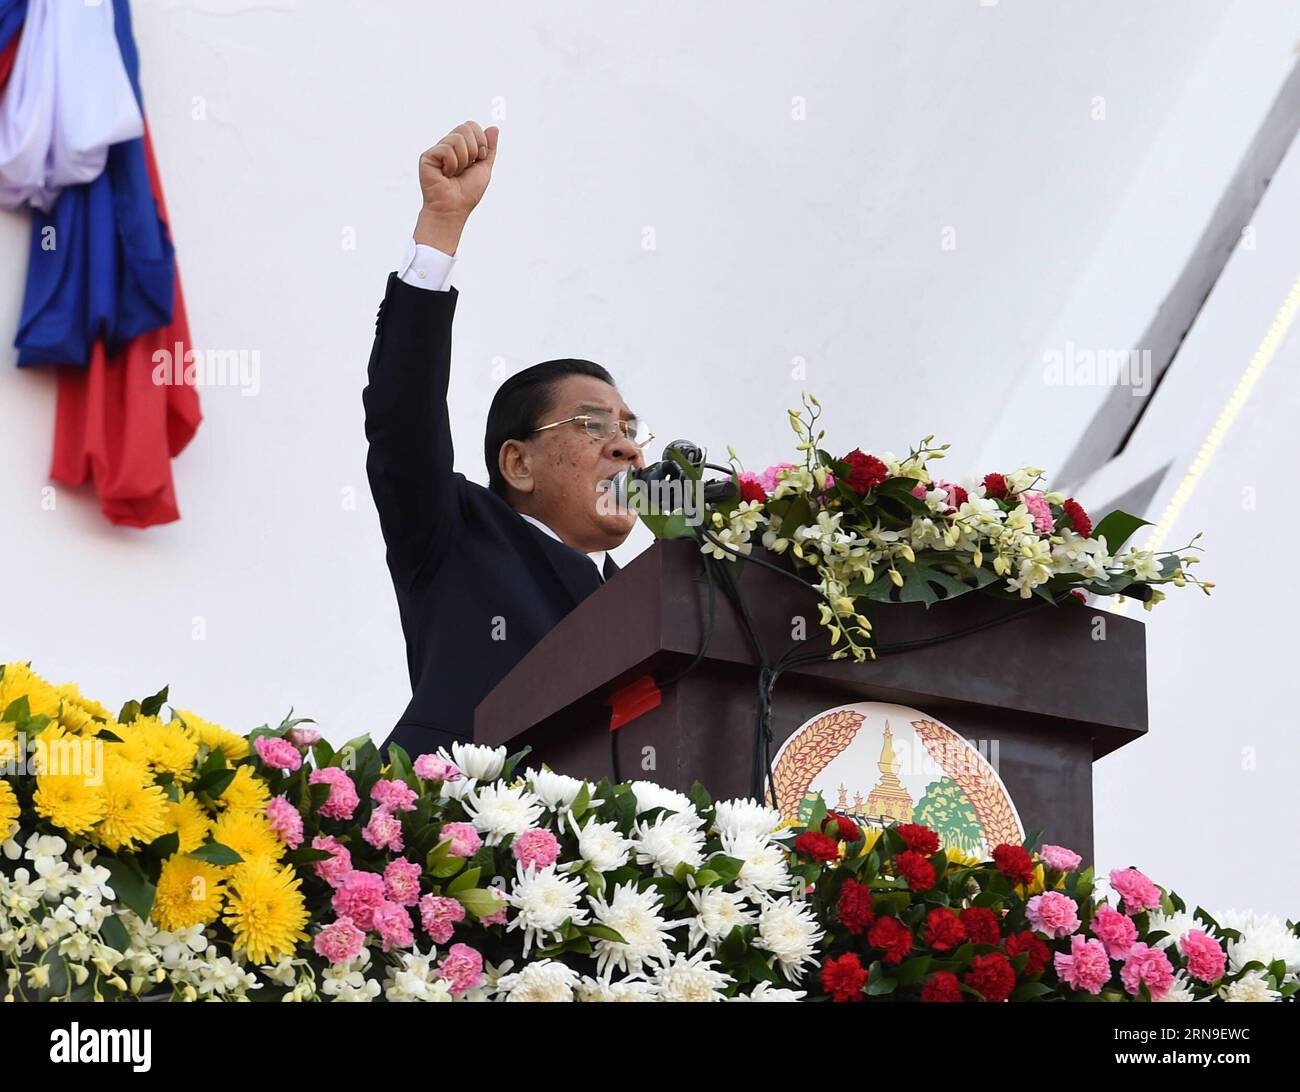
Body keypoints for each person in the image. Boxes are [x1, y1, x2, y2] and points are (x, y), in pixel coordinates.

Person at [363, 120, 649, 759]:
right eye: (595, 426)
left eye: (630, 431)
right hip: (447, 838)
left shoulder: (651, 604)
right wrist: (441, 227)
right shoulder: (457, 533)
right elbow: (401, 412)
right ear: (518, 463)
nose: (628, 448)